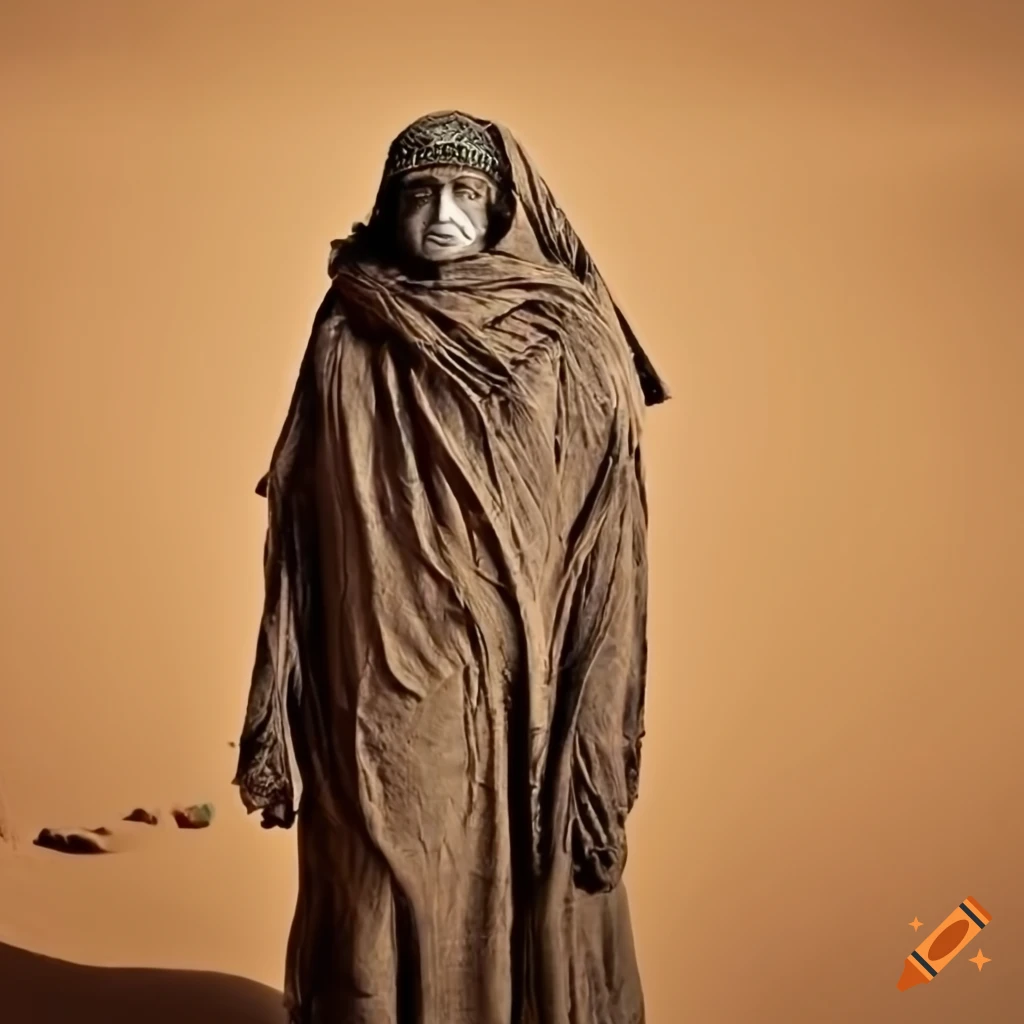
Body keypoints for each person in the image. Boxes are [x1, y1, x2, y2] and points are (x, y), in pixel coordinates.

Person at [233, 110, 668, 1024]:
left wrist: (589, 697)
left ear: (503, 207)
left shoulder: (569, 329)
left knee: (526, 866)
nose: (442, 214)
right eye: (420, 193)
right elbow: (307, 514)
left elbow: (604, 521)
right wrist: (290, 685)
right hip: (377, 664)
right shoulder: (350, 319)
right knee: (381, 870)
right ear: (390, 204)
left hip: (527, 669)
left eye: (467, 193)